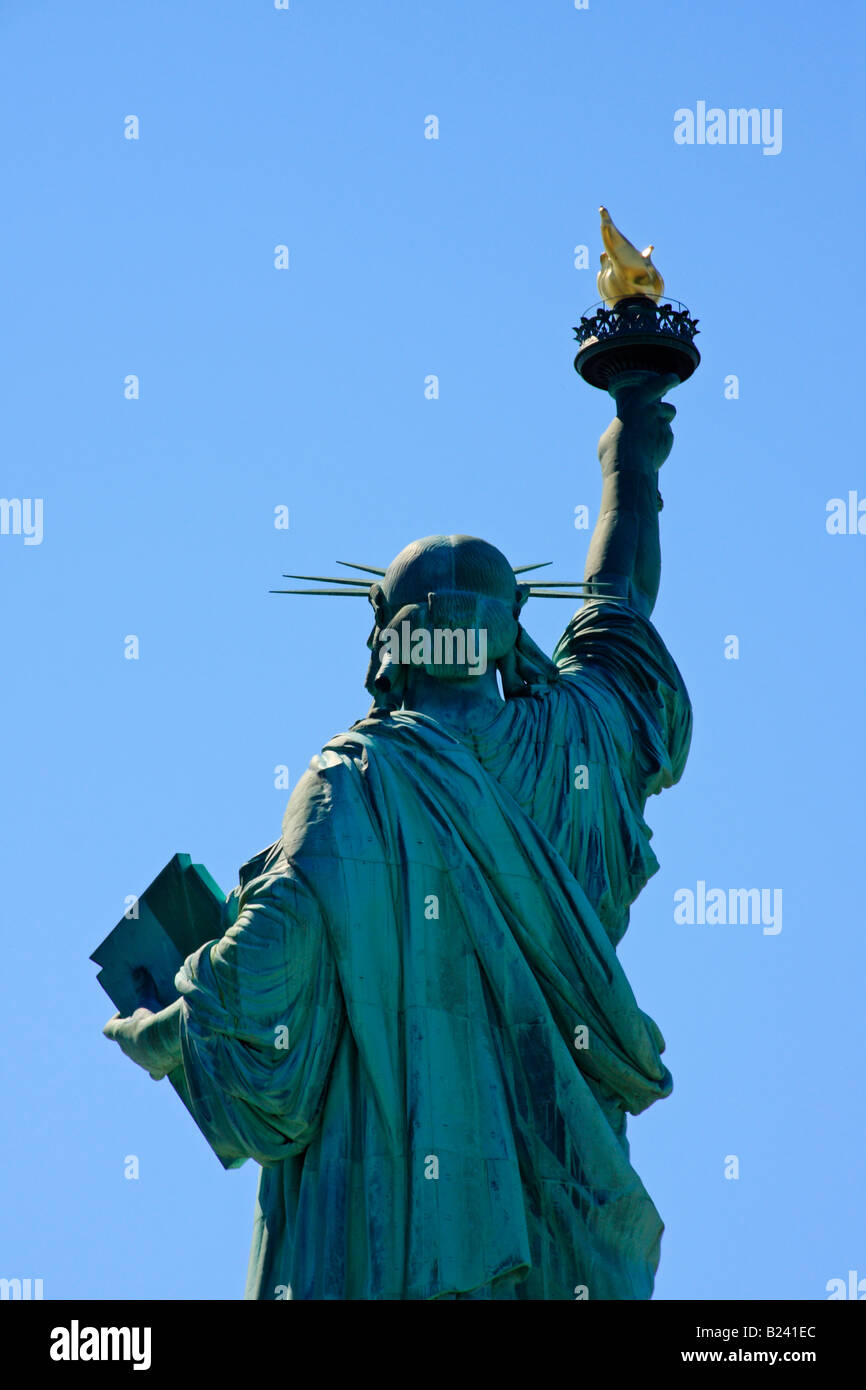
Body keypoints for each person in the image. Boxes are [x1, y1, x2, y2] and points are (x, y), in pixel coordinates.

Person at [104, 373, 691, 1300]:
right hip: (569, 1218)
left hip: (378, 1238)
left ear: (387, 643)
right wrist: (633, 447)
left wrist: (163, 1030)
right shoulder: (582, 744)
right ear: (507, 637)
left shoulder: (356, 780)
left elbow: (262, 976)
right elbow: (620, 605)